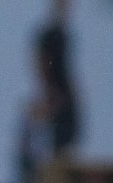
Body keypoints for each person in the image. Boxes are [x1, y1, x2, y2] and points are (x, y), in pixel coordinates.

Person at [34, 0, 80, 158]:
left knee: (70, 134)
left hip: (66, 91)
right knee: (56, 136)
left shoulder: (64, 34)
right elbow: (41, 61)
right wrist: (48, 90)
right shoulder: (49, 34)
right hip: (56, 91)